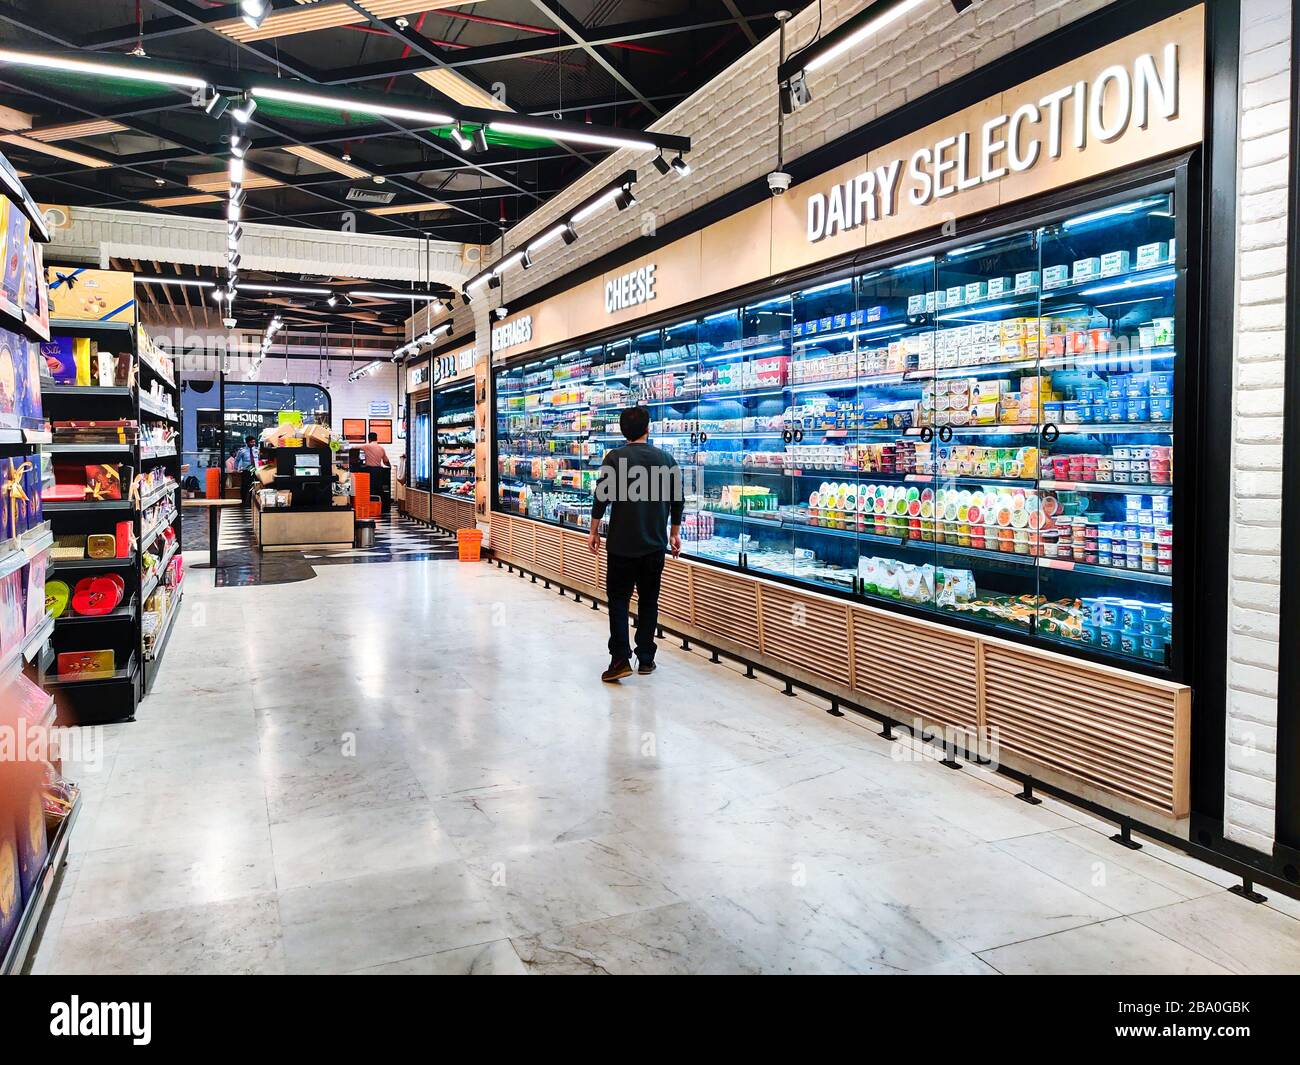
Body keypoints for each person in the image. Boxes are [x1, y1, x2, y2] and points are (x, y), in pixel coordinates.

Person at [588, 405, 684, 683]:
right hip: (654, 544)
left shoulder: (615, 458)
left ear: (622, 431)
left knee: (618, 600)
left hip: (620, 545)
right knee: (649, 600)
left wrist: (593, 532)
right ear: (648, 428)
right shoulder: (666, 459)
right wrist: (674, 534)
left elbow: (601, 498)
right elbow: (678, 500)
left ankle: (620, 658)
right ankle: (646, 658)